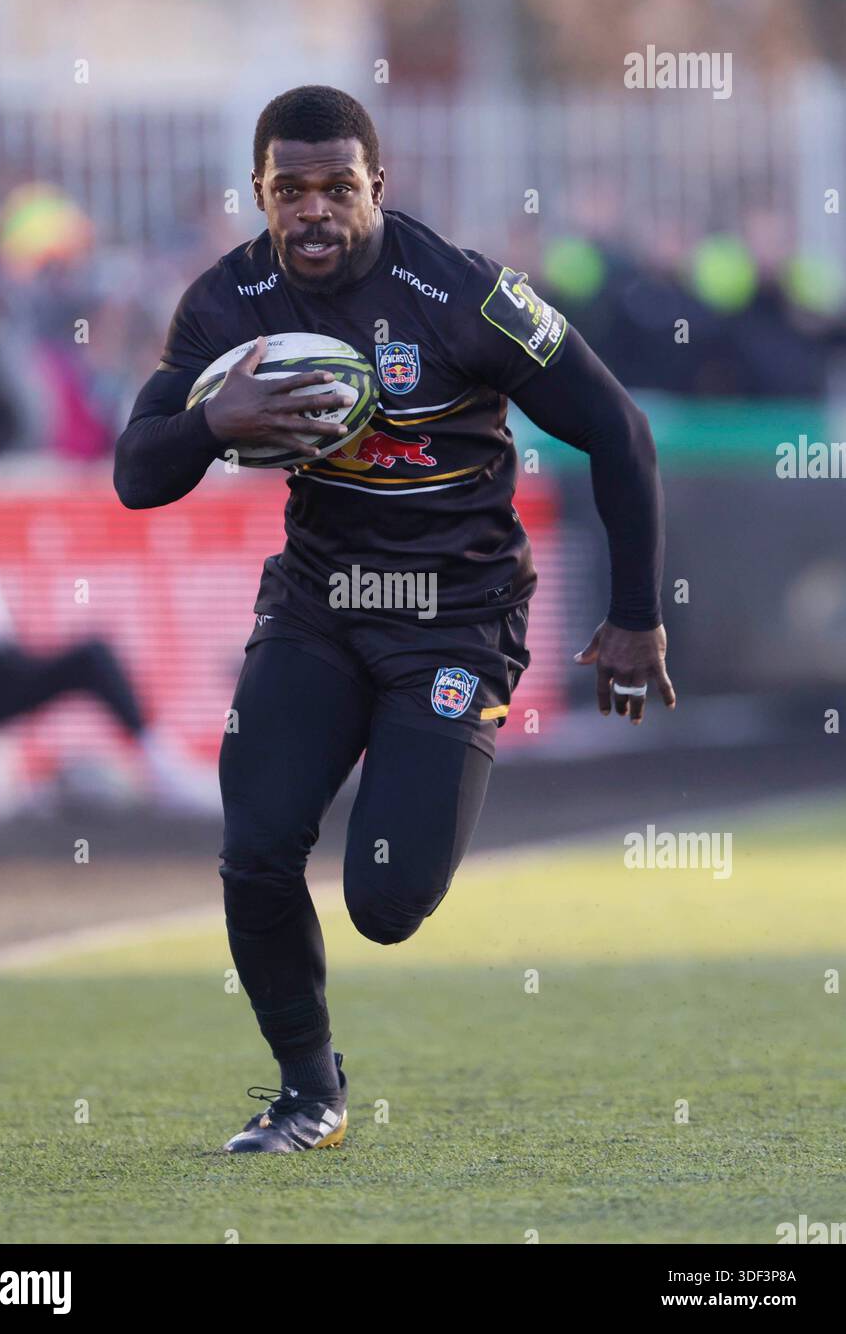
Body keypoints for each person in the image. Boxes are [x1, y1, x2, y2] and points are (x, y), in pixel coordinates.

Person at [114, 85, 675, 1154]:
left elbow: (620, 430)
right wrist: (211, 417)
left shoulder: (463, 295)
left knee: (384, 899)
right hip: (317, 608)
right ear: (260, 195)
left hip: (455, 621)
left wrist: (637, 617)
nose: (313, 210)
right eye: (290, 190)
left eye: (336, 187)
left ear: (378, 185)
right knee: (256, 851)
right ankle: (305, 1089)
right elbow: (136, 476)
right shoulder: (225, 304)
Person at [0, 477, 217, 812]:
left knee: (87, 658)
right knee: (91, 659)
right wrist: (33, 672)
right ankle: (163, 768)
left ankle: (161, 764)